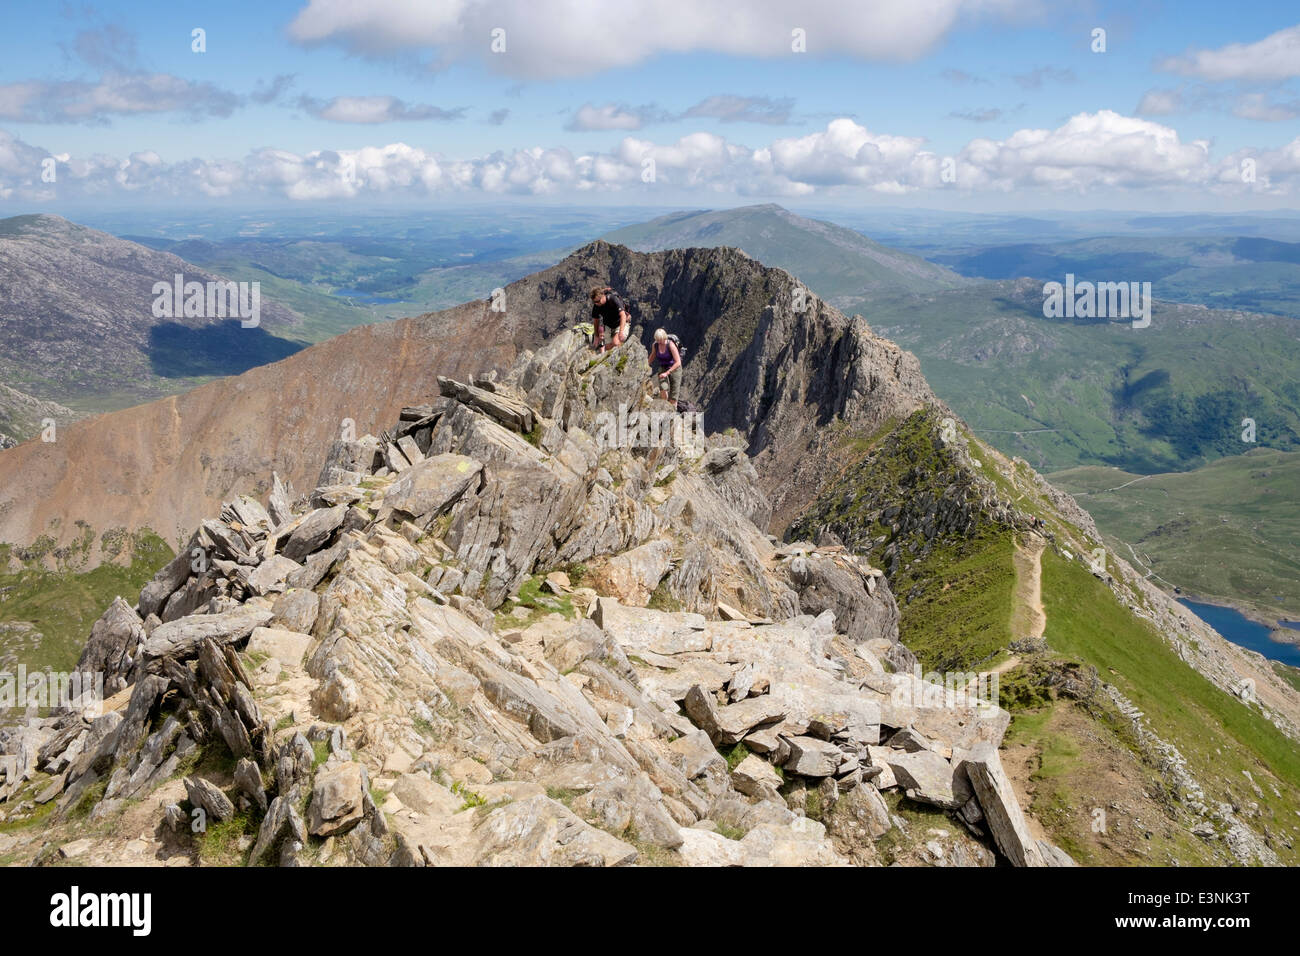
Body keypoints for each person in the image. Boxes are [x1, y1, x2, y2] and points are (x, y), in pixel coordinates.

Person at [590, 285, 630, 353]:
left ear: (603, 296)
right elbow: (596, 321)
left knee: (615, 343)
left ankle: (622, 356)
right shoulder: (596, 306)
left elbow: (623, 315)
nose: (597, 304)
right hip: (608, 326)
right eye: (594, 302)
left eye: (598, 301)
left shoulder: (612, 299)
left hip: (620, 323)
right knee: (608, 348)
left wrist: (621, 332)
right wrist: (596, 336)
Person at [649, 328, 682, 403]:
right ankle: (664, 405)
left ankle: (672, 409)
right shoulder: (655, 345)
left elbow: (678, 362)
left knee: (674, 395)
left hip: (675, 368)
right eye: (657, 340)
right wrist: (646, 365)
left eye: (661, 339)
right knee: (663, 388)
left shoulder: (671, 345)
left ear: (665, 337)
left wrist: (667, 373)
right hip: (663, 367)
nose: (659, 342)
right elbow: (653, 355)